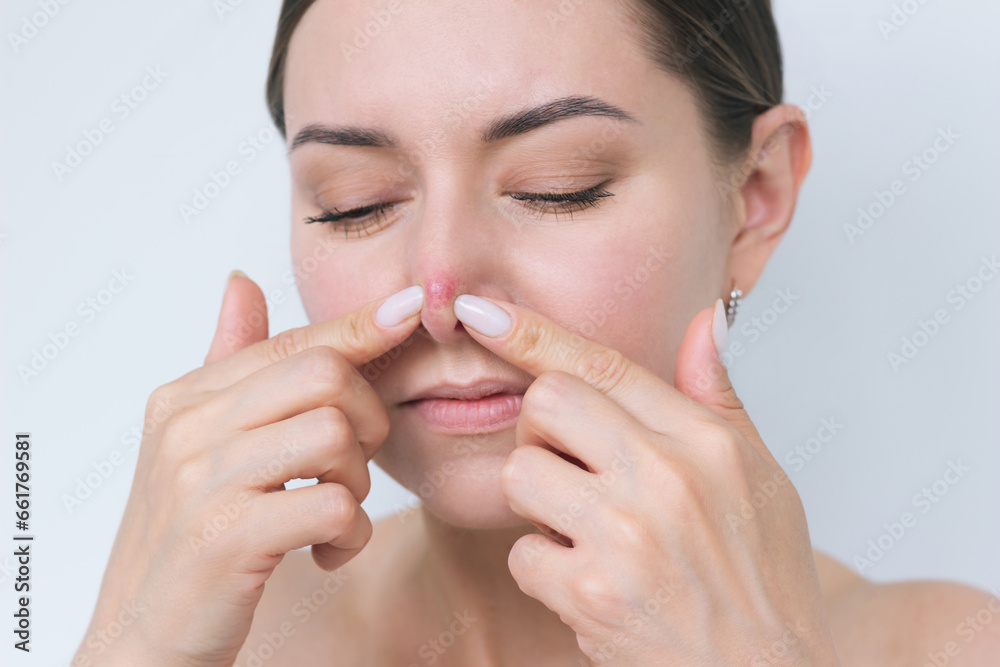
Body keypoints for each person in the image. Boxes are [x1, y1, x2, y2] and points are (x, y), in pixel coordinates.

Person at [75, 0, 1000, 664]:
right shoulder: (226, 636)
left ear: (754, 200)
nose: (439, 292)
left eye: (559, 185)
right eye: (354, 204)